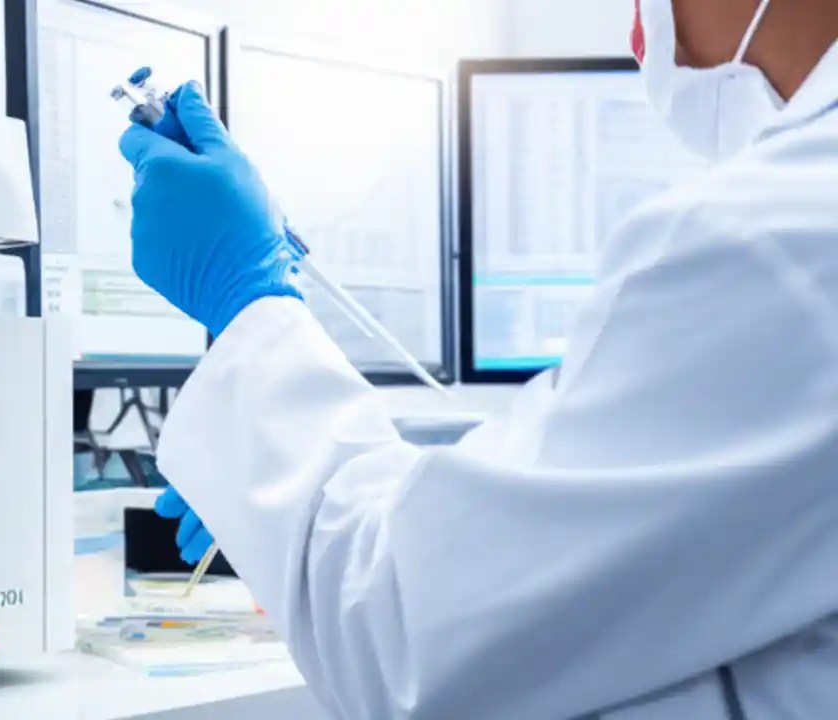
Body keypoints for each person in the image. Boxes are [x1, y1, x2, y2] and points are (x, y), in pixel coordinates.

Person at [117, 0, 838, 717]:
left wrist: (245, 301)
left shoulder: (776, 238)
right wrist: (262, 489)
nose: (639, 29)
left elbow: (401, 634)